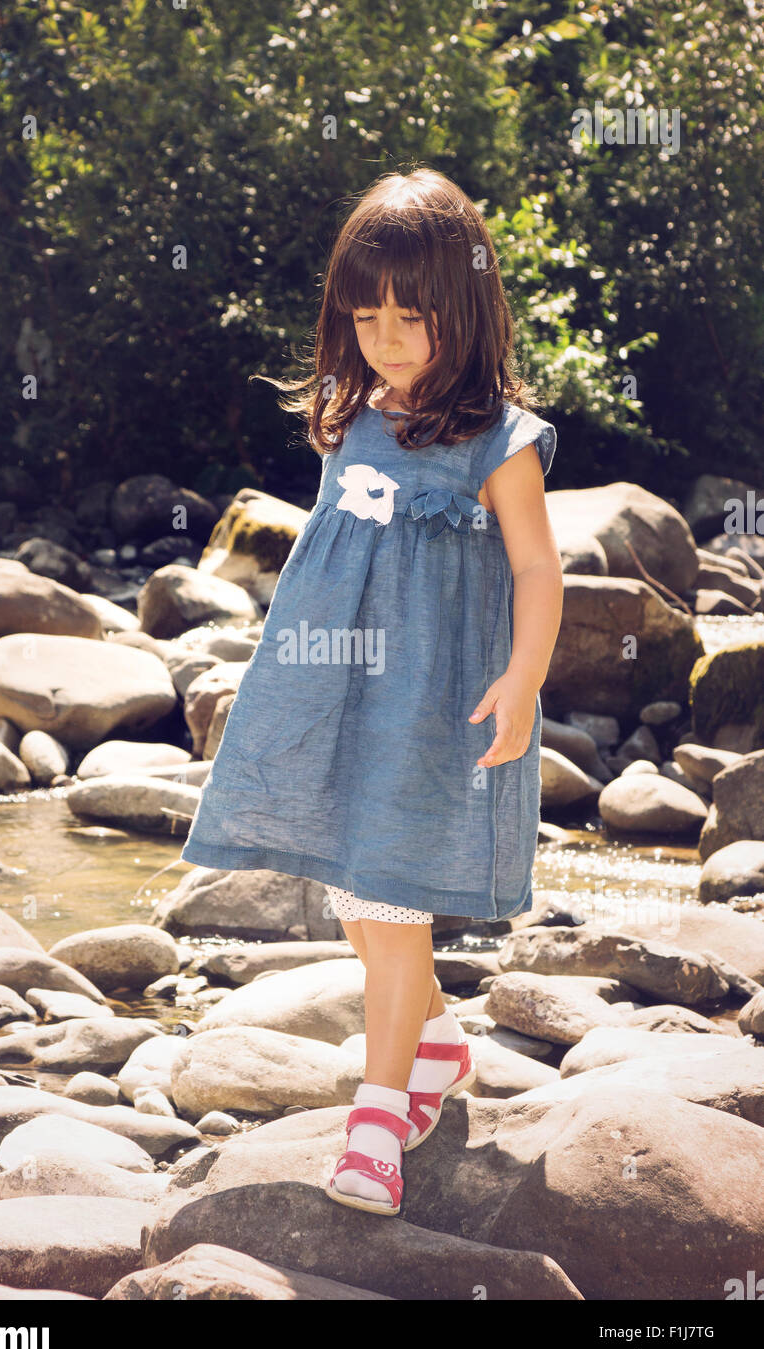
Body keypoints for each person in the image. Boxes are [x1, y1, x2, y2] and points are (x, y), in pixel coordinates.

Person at [180, 166, 564, 1216]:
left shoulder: (499, 442)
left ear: (465, 310)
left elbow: (537, 567)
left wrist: (524, 675)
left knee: (390, 903)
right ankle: (436, 1039)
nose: (386, 339)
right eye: (365, 317)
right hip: (336, 687)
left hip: (430, 704)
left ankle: (377, 1120)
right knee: (356, 892)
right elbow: (336, 559)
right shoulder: (347, 416)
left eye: (411, 317)